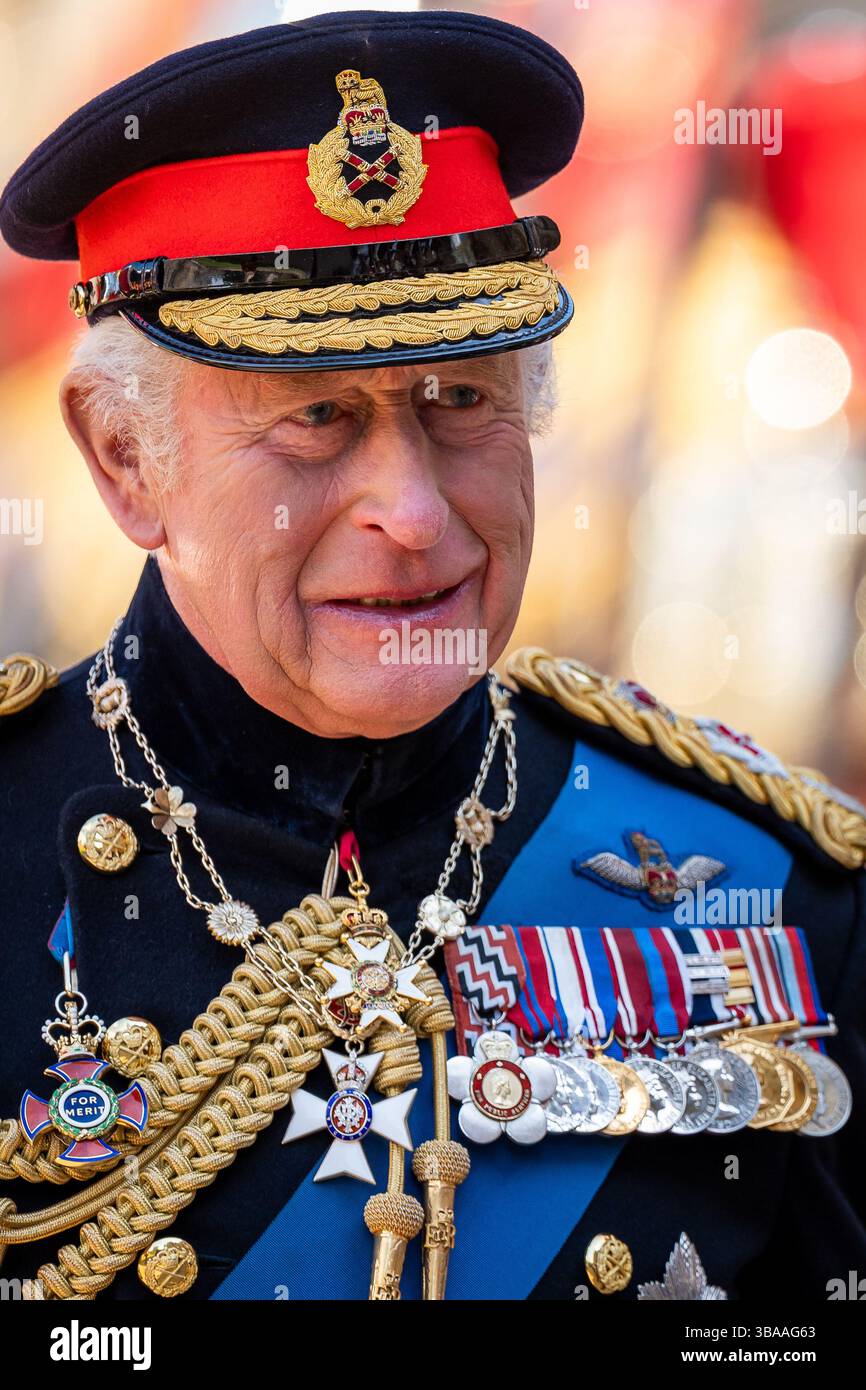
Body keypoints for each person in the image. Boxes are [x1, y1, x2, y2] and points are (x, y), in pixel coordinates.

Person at [0, 8, 863, 1304]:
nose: (410, 513)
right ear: (126, 458)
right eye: (315, 420)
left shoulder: (767, 887)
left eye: (462, 401)